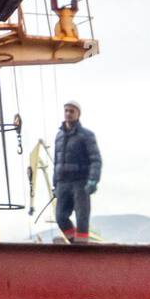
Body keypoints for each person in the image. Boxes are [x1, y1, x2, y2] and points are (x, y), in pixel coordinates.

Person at [53, 100, 101, 244]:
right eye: (66, 110)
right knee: (60, 216)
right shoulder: (59, 136)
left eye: (72, 111)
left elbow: (95, 159)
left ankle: (81, 247)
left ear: (78, 114)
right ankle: (74, 242)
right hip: (63, 182)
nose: (68, 113)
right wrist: (55, 183)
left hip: (81, 182)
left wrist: (93, 180)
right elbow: (56, 161)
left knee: (82, 217)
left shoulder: (86, 135)